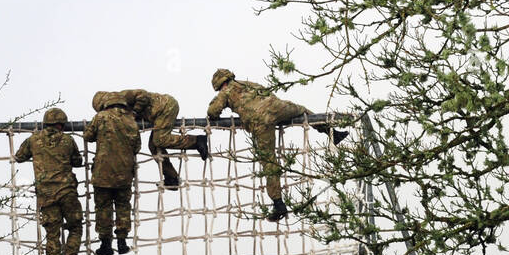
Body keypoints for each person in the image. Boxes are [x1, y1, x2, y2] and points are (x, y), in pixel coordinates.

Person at [206, 68, 348, 221]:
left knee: (269, 161)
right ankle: (332, 133)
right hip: (275, 107)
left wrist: (220, 109)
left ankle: (278, 203)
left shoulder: (225, 92)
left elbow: (213, 111)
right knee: (301, 110)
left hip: (260, 121)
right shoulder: (248, 84)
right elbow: (268, 93)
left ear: (221, 85)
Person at [14, 108, 85, 255]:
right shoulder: (68, 140)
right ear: (62, 124)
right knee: (75, 227)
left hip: (46, 195)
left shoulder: (33, 140)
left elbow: (19, 157)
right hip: (67, 192)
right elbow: (78, 162)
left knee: (52, 234)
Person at [83, 91, 140, 255]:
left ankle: (105, 243)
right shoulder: (131, 119)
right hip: (124, 172)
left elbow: (88, 135)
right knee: (123, 206)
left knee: (103, 208)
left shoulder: (101, 117)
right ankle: (122, 242)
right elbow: (137, 146)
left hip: (103, 172)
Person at [120, 88, 210, 189]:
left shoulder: (121, 97)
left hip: (166, 107)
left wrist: (134, 112)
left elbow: (142, 95)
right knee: (153, 146)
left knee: (160, 139)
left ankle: (197, 141)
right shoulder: (116, 113)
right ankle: (171, 177)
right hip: (158, 114)